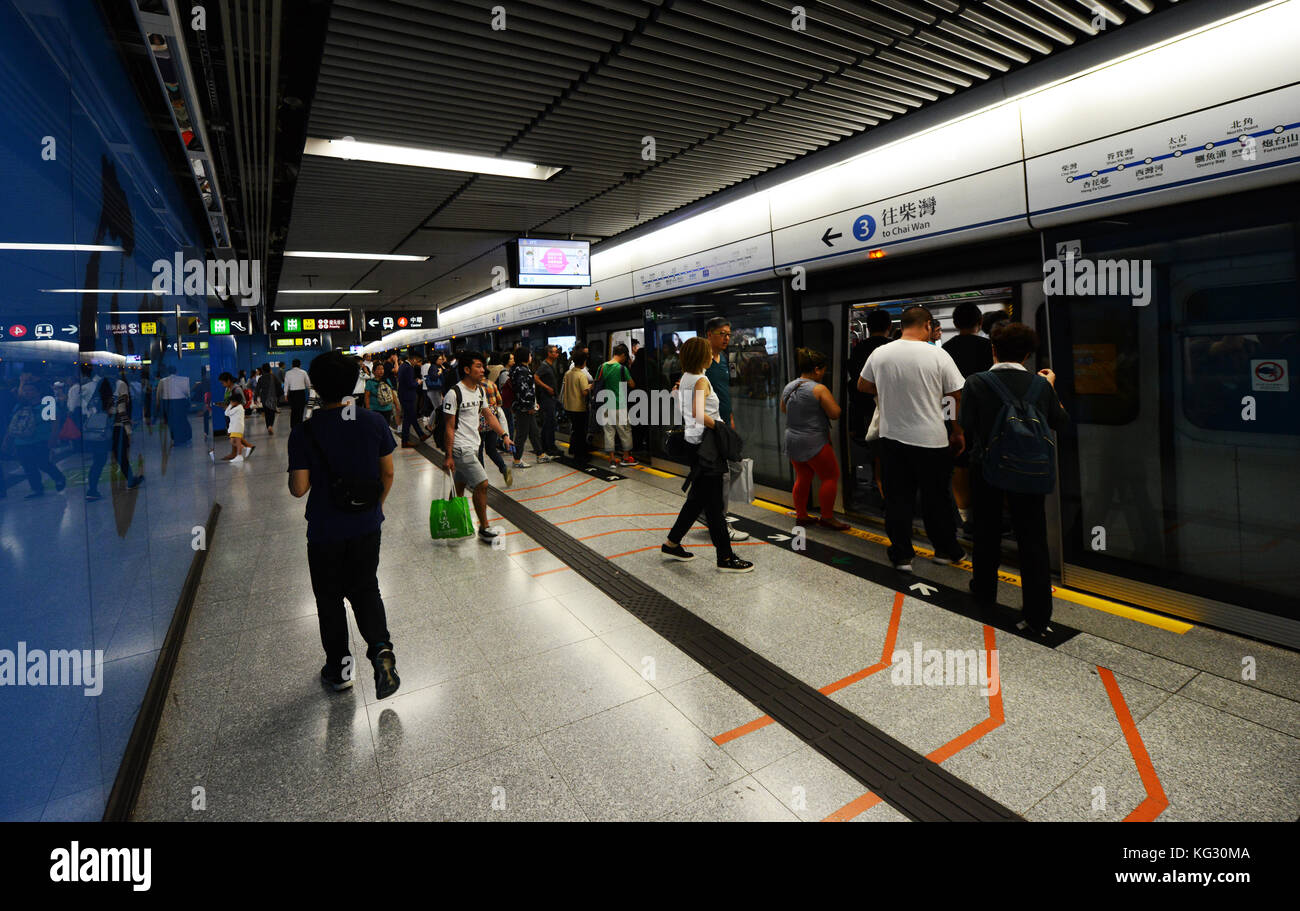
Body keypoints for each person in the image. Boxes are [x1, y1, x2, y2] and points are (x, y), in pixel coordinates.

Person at [287, 351, 400, 698]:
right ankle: (381, 650)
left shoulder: (304, 432)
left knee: (330, 599)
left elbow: (298, 488)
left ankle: (340, 671)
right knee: (366, 588)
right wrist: (374, 509)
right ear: (354, 382)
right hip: (367, 526)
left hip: (324, 531)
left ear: (315, 386)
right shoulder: (372, 422)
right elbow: (388, 472)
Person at [960, 323, 1069, 638]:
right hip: (1030, 470)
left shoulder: (977, 382)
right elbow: (1060, 421)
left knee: (987, 533)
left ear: (993, 349)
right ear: (1028, 354)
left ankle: (983, 592)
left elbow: (967, 425)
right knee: (1032, 540)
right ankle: (1037, 614)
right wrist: (1049, 386)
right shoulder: (1041, 385)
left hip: (987, 469)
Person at [857, 305, 965, 572]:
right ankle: (944, 550)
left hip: (892, 439)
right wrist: (957, 431)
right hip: (932, 440)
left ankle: (903, 555)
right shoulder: (938, 355)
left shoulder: (880, 353)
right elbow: (955, 395)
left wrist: (888, 391)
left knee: (898, 499)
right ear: (927, 325)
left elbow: (862, 385)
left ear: (902, 325)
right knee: (936, 499)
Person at [661, 337, 753, 573]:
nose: (712, 355)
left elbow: (683, 408)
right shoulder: (700, 379)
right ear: (703, 356)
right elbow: (697, 413)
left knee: (697, 500)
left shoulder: (685, 379)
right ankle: (725, 557)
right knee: (713, 507)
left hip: (695, 445)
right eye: (708, 352)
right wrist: (720, 428)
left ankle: (672, 543)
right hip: (708, 447)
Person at [442, 350, 513, 541]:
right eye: (479, 366)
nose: (483, 370)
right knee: (482, 484)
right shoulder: (454, 393)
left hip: (474, 444)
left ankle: (451, 519)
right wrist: (448, 455)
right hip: (460, 447)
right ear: (466, 369)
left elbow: (489, 416)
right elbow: (449, 427)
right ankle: (484, 527)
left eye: (483, 366)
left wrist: (504, 435)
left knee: (459, 485)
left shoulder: (480, 390)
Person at [781, 348, 850, 530]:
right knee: (830, 476)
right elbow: (835, 413)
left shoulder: (790, 386)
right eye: (823, 370)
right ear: (817, 369)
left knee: (803, 476)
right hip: (814, 441)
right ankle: (827, 518)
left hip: (792, 438)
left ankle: (802, 515)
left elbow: (783, 409)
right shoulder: (819, 389)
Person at [944, 301, 995, 527]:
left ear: (955, 323)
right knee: (987, 461)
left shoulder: (945, 349)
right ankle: (987, 513)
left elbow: (945, 389)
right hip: (985, 413)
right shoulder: (989, 347)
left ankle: (965, 515)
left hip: (953, 413)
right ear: (980, 322)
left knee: (960, 465)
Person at [700, 316, 748, 541]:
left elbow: (724, 391)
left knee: (735, 469)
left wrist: (730, 418)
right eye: (723, 334)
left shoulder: (724, 359)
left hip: (724, 423)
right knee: (725, 475)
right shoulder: (702, 360)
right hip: (712, 426)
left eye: (729, 334)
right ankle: (719, 521)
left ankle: (707, 509)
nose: (727, 338)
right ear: (709, 334)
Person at [2, 381, 67, 498]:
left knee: (43, 463)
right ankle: (37, 488)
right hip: (21, 441)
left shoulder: (47, 405)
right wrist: (7, 440)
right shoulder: (19, 406)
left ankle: (58, 477)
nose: (27, 393)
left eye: (30, 390)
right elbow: (13, 424)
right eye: (25, 390)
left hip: (40, 439)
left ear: (38, 392)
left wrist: (53, 438)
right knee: (28, 466)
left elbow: (55, 422)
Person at [594, 343, 637, 466]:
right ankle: (626, 457)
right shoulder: (622, 369)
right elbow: (632, 384)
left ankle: (612, 459)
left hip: (605, 405)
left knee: (609, 432)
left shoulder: (602, 367)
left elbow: (597, 383)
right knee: (625, 431)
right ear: (623, 355)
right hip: (620, 405)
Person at [508, 347, 549, 467]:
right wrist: (529, 405)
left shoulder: (517, 369)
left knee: (534, 432)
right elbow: (523, 390)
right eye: (530, 355)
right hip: (524, 407)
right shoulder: (522, 370)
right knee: (521, 435)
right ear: (525, 357)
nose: (531, 357)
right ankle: (516, 460)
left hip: (524, 406)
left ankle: (540, 454)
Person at [477, 364, 513, 487]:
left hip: (479, 423)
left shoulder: (475, 386)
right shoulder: (492, 384)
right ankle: (503, 468)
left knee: (479, 451)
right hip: (493, 421)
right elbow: (500, 402)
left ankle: (481, 478)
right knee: (491, 449)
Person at [561, 350, 593, 465]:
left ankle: (573, 449)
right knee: (581, 432)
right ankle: (580, 455)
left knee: (575, 430)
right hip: (579, 408)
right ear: (584, 362)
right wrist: (591, 386)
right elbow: (584, 392)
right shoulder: (581, 375)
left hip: (569, 407)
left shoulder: (568, 373)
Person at [217, 372, 255, 462]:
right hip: (230, 414)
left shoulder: (237, 389)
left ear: (229, 381)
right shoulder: (227, 389)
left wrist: (232, 407)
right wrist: (224, 405)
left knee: (234, 435)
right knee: (233, 435)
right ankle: (241, 450)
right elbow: (229, 401)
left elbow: (243, 402)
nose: (223, 385)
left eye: (223, 382)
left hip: (234, 415)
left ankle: (242, 450)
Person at [534, 345, 563, 458]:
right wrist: (547, 387)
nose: (557, 354)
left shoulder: (551, 365)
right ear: (549, 353)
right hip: (546, 398)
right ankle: (549, 447)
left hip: (551, 398)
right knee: (549, 422)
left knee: (550, 422)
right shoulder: (544, 366)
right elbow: (536, 377)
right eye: (555, 352)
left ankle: (548, 445)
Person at [397, 353, 429, 448]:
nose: (418, 363)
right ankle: (405, 441)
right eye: (418, 361)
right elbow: (410, 384)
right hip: (408, 396)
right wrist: (417, 382)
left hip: (404, 395)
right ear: (414, 359)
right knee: (408, 418)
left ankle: (421, 435)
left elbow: (405, 381)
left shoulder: (403, 366)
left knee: (411, 417)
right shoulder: (408, 368)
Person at [156, 365, 193, 445]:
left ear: (167, 372)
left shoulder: (162, 381)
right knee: (182, 420)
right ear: (177, 371)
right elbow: (187, 392)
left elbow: (159, 393)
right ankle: (186, 437)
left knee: (171, 422)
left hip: (167, 402)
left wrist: (158, 403)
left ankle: (174, 438)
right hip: (181, 402)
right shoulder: (184, 379)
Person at [365, 362, 398, 427]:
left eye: (382, 369)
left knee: (386, 426)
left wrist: (397, 404)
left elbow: (392, 393)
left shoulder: (387, 380)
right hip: (375, 409)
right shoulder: (370, 382)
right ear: (373, 371)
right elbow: (367, 396)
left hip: (387, 409)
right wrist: (368, 409)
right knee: (376, 427)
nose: (381, 371)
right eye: (378, 369)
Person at [255, 364, 282, 435]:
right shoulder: (273, 377)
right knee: (272, 413)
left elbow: (257, 389)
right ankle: (270, 426)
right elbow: (279, 386)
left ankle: (268, 426)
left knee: (267, 413)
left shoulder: (261, 378)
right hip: (272, 397)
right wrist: (279, 395)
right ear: (270, 369)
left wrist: (255, 398)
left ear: (263, 370)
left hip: (264, 398)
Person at [284, 358, 310, 427]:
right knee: (300, 410)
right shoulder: (303, 372)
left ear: (292, 365)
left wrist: (285, 395)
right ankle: (300, 425)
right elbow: (308, 384)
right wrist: (311, 392)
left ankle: (293, 425)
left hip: (292, 394)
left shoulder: (288, 373)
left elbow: (286, 385)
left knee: (293, 410)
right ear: (300, 365)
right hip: (301, 393)